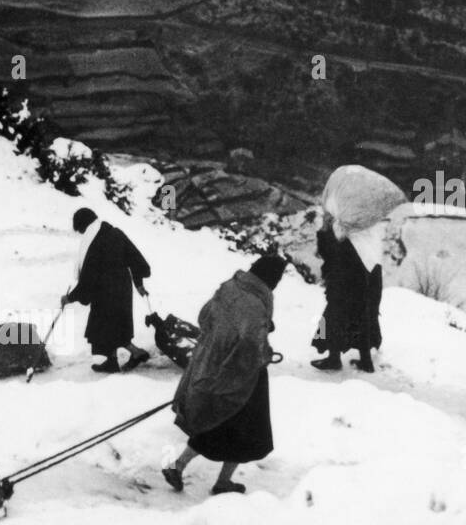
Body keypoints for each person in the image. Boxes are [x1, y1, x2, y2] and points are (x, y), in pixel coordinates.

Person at [164, 254, 286, 495]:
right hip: (242, 376)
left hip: (210, 365)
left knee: (213, 422)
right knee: (246, 430)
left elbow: (205, 316)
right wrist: (264, 355)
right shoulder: (256, 302)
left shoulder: (231, 286)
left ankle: (178, 466)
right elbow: (251, 343)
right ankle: (222, 482)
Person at [61, 207, 152, 373]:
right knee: (115, 327)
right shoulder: (115, 233)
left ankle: (120, 359)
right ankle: (129, 355)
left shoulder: (94, 243)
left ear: (84, 226)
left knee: (105, 328)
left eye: (81, 229)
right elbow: (135, 258)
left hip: (105, 292)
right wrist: (138, 283)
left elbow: (88, 277)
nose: (81, 233)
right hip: (121, 289)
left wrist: (70, 297)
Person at [310, 213, 382, 373]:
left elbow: (328, 254)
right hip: (369, 283)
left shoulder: (346, 232)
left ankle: (333, 359)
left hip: (346, 285)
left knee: (331, 318)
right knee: (363, 319)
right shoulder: (369, 227)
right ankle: (366, 361)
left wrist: (324, 230)